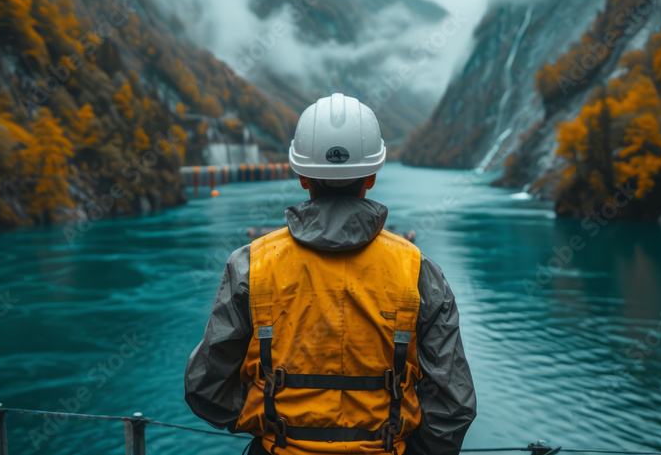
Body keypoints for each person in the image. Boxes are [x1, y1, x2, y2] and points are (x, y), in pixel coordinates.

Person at [185, 93, 476, 454]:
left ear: (302, 176)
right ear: (372, 175)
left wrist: (268, 422)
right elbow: (453, 406)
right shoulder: (419, 272)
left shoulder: (250, 266)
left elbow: (206, 389)